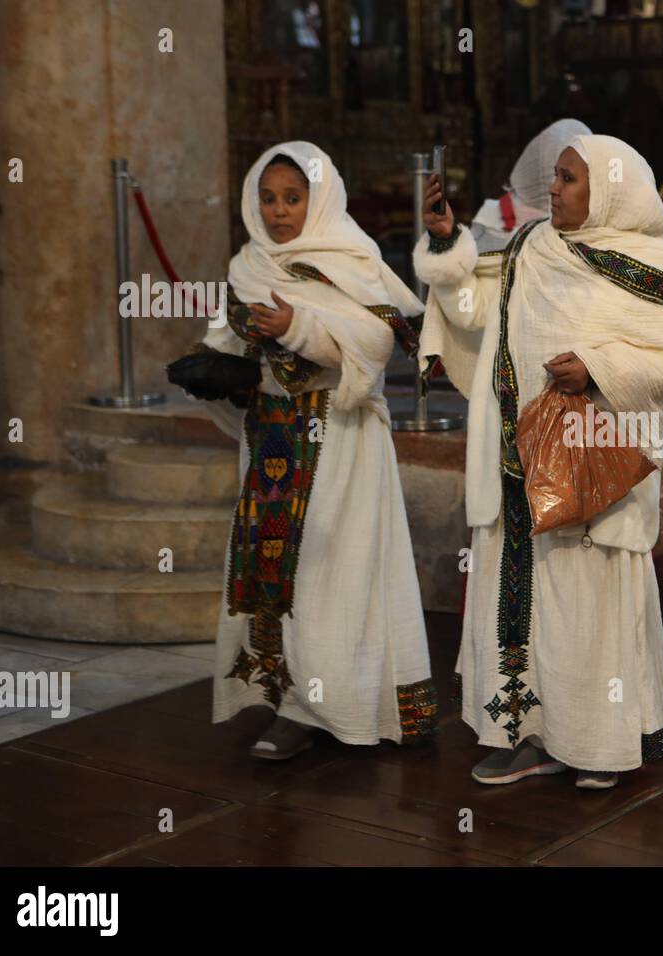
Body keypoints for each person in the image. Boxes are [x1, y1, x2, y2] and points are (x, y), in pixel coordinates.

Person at [413, 134, 663, 789]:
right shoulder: (529, 248)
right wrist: (446, 246)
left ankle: (597, 743)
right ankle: (525, 735)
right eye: (556, 177)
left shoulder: (659, 265)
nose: (555, 188)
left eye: (570, 179)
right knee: (525, 608)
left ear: (608, 188)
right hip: (517, 464)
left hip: (595, 467)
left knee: (586, 605)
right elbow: (470, 318)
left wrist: (599, 369)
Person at [195, 142, 434, 759]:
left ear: (319, 199)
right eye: (268, 199)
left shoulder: (352, 258)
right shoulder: (249, 263)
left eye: (292, 199)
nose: (278, 212)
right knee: (279, 576)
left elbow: (377, 342)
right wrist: (216, 366)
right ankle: (285, 698)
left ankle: (336, 706)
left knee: (336, 572)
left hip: (339, 437)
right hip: (271, 435)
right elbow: (236, 336)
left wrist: (297, 327)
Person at [467, 119, 592, 253]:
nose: (552, 188)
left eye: (567, 178)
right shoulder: (496, 225)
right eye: (555, 175)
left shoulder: (604, 246)